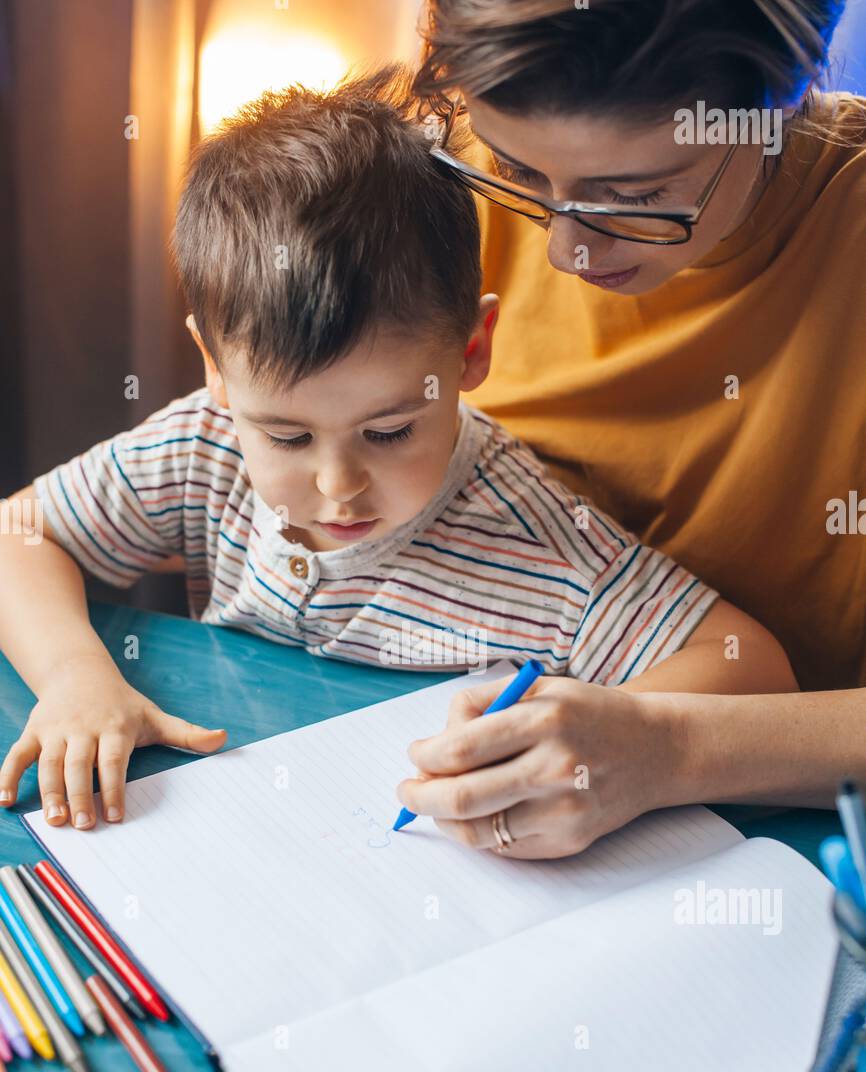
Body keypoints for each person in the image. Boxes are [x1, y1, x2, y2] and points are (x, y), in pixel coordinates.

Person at [0, 69, 793, 838]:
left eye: (389, 432)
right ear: (213, 363)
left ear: (470, 352)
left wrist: (608, 735)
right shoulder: (206, 442)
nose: (337, 485)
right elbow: (17, 534)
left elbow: (750, 668)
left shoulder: (540, 538)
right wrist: (76, 676)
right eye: (286, 436)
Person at [394, 0, 866, 858]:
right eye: (521, 170)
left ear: (778, 101)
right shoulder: (437, 179)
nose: (567, 255)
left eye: (637, 195)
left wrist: (672, 749)